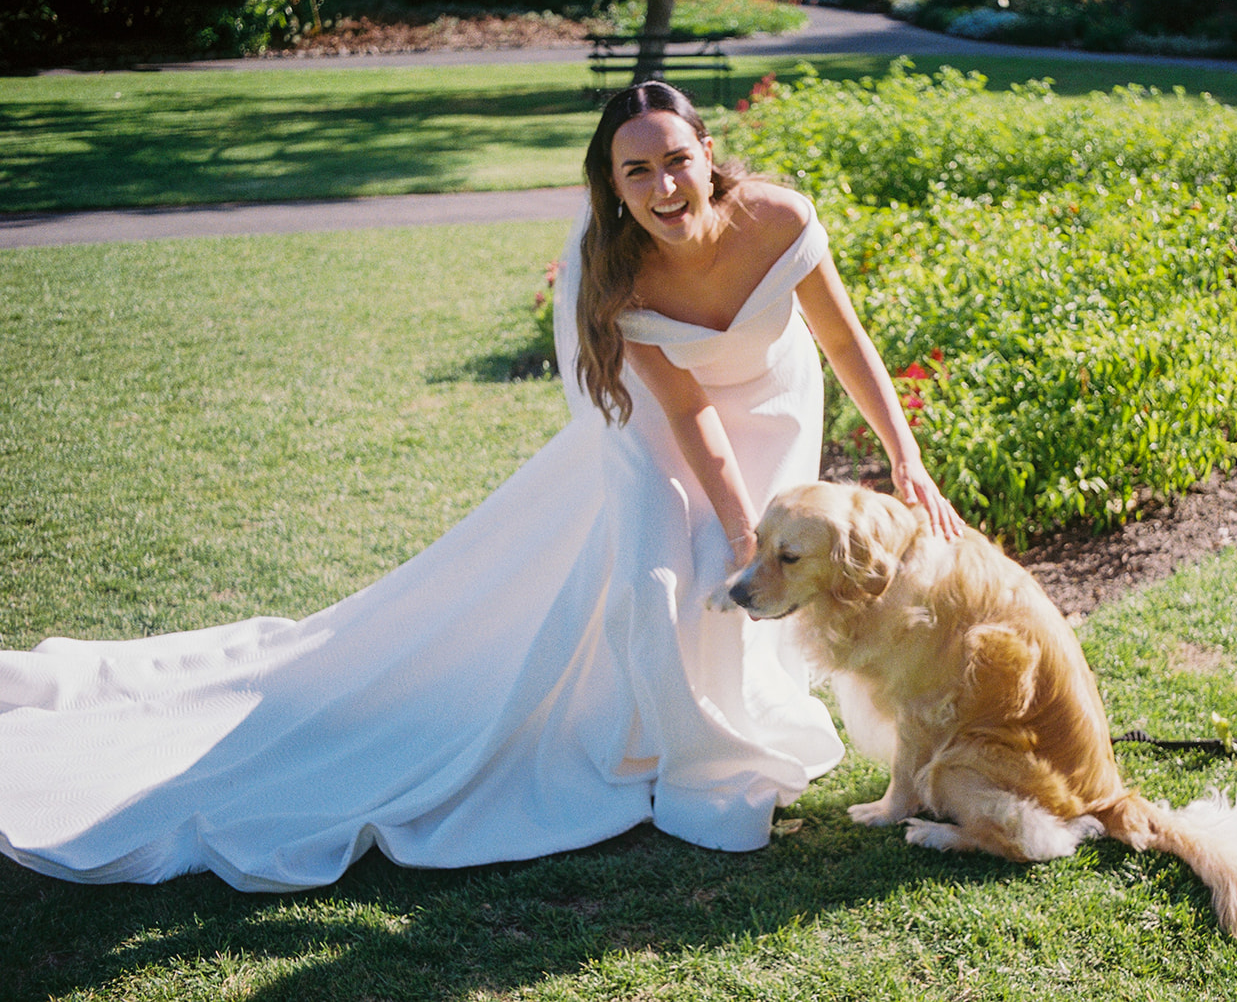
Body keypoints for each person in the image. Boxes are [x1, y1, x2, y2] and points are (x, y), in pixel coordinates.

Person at [0, 80, 959, 892]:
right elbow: (688, 415)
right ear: (613, 189)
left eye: (676, 160)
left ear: (708, 153)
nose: (665, 187)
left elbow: (841, 342)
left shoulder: (781, 220)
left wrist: (904, 458)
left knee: (740, 578)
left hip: (773, 400)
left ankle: (717, 731)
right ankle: (687, 759)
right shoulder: (616, 273)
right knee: (665, 569)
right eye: (638, 172)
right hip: (664, 421)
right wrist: (741, 525)